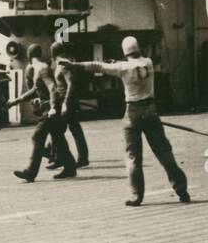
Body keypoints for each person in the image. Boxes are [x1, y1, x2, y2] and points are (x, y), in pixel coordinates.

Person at [56, 36, 188, 206]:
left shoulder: (122, 68)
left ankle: (136, 195)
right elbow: (133, 61)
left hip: (132, 113)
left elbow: (97, 66)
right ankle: (182, 190)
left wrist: (75, 65)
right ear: (138, 49)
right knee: (164, 152)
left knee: (133, 157)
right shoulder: (147, 62)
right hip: (151, 111)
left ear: (125, 52)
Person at [8, 45, 75, 182]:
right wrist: (16, 100)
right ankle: (70, 167)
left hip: (49, 109)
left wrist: (52, 107)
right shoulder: (41, 68)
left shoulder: (42, 69)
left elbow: (52, 89)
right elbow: (35, 89)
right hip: (51, 108)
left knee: (37, 136)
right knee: (57, 138)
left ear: (28, 56)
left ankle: (30, 172)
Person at [51, 43, 90, 168]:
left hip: (67, 100)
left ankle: (62, 158)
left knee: (63, 129)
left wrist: (65, 103)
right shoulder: (60, 63)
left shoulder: (63, 64)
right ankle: (75, 158)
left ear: (53, 52)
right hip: (64, 100)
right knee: (70, 129)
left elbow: (71, 84)